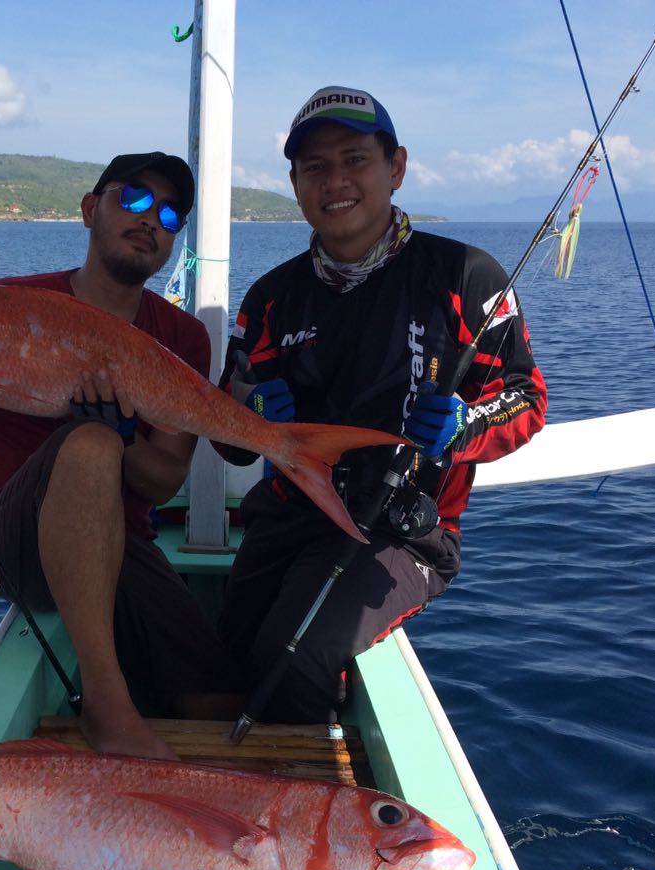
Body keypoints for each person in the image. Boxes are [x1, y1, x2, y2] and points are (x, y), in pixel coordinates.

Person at [0, 152, 245, 759]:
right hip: (3, 538)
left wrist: (126, 433)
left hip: (117, 543)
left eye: (169, 213)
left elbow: (162, 482)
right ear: (89, 209)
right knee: (88, 442)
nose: (150, 219)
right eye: (133, 199)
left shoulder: (183, 337)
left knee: (216, 697)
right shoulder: (9, 304)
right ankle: (109, 712)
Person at [214, 87, 547, 723]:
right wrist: (250, 414)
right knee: (227, 656)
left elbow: (527, 398)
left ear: (395, 167)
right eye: (315, 167)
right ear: (295, 183)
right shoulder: (269, 298)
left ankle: (309, 804)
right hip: (288, 521)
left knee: (299, 660)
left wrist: (467, 423)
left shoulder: (466, 277)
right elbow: (227, 433)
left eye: (354, 159)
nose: (335, 180)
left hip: (401, 534)